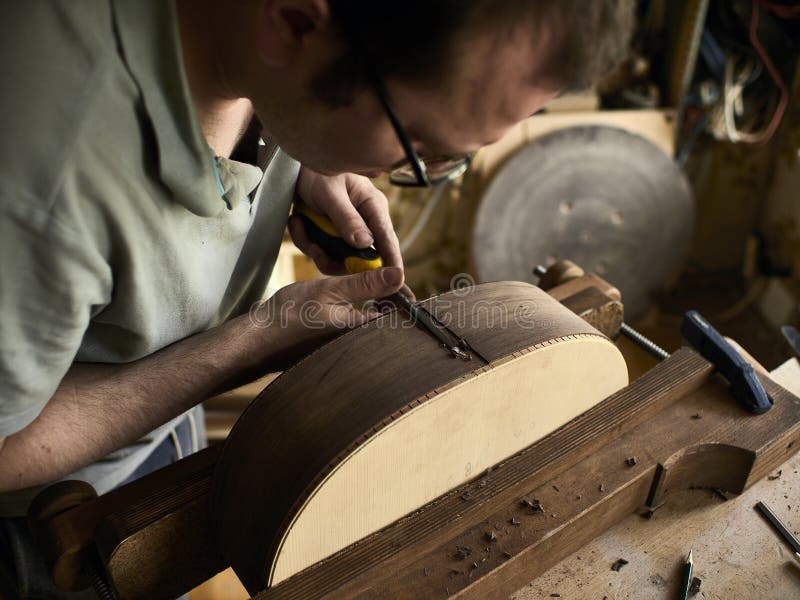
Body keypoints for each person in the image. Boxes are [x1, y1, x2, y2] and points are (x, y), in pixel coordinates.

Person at [0, 0, 633, 596]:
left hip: (156, 429)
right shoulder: (40, 180)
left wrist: (297, 156)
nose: (406, 170)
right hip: (49, 522)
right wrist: (246, 347)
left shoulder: (255, 45)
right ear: (296, 24)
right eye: (419, 146)